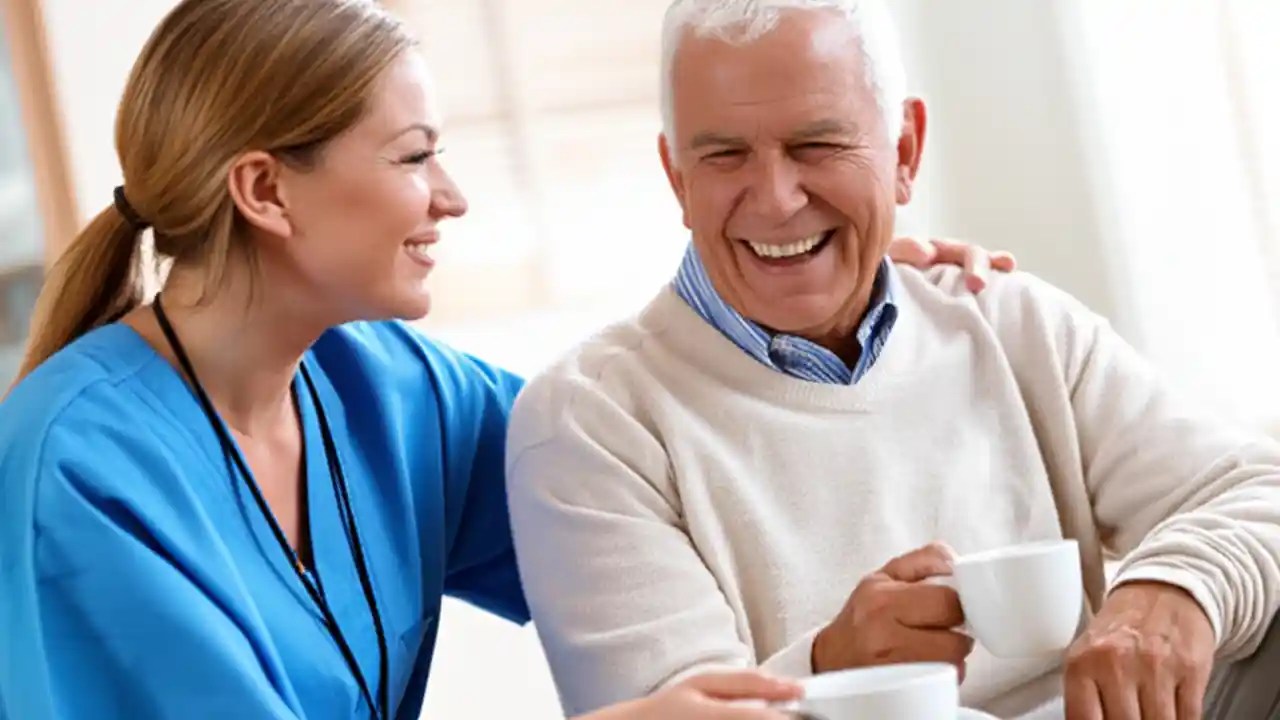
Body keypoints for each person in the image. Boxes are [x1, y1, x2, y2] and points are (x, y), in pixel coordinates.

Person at [0, 1, 1006, 719]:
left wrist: (836, 285)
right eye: (411, 157)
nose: (451, 196)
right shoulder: (78, 472)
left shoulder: (395, 394)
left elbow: (651, 471)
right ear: (266, 191)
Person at [503, 1, 1280, 719]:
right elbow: (669, 713)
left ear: (904, 149)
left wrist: (1179, 582)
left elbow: (1258, 488)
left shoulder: (1005, 319)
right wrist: (829, 661)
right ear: (678, 177)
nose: (774, 198)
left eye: (817, 144)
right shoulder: (589, 421)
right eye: (726, 157)